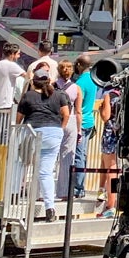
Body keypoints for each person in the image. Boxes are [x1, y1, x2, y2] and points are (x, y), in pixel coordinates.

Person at [16, 65, 71, 221]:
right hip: (54, 134)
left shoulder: (28, 96)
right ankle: (50, 208)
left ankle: (14, 194)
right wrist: (60, 129)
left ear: (33, 82)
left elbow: (18, 120)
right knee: (45, 172)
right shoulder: (59, 95)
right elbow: (66, 114)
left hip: (34, 132)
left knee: (20, 162)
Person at [96, 81, 123, 219]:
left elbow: (106, 116)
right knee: (113, 167)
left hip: (110, 134)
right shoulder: (123, 94)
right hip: (121, 134)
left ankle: (111, 205)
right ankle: (110, 200)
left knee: (111, 170)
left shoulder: (109, 95)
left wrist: (101, 110)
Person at [73, 56, 98, 200]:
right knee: (82, 154)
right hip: (90, 121)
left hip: (81, 122)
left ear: (79, 65)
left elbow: (78, 106)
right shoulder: (94, 80)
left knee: (78, 155)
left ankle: (78, 188)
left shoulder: (81, 82)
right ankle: (80, 185)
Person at [55, 60, 80, 199]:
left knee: (49, 157)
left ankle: (40, 193)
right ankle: (64, 192)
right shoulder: (76, 88)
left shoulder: (52, 85)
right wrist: (79, 130)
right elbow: (78, 111)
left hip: (54, 120)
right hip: (70, 120)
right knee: (67, 158)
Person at [0, 43, 24, 110]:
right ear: (12, 54)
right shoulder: (11, 65)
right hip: (5, 105)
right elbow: (28, 76)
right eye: (18, 54)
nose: (19, 56)